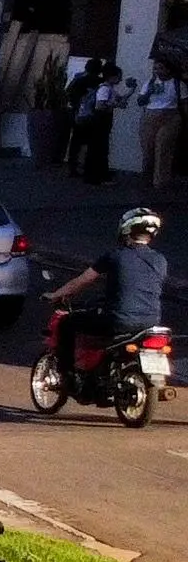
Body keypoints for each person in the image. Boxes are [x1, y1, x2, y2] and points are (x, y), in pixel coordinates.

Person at [49, 205, 169, 377]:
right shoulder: (160, 260)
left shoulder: (114, 255)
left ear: (126, 228)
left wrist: (56, 295)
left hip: (117, 320)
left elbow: (81, 281)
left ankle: (65, 373)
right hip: (150, 322)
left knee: (67, 323)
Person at [147, 62, 186, 191]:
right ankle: (148, 176)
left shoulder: (178, 84)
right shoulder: (150, 83)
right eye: (156, 68)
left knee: (163, 147)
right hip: (151, 114)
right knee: (149, 147)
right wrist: (149, 91)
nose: (158, 71)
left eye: (161, 68)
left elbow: (184, 103)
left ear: (169, 70)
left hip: (170, 115)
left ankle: (160, 180)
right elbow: (140, 101)